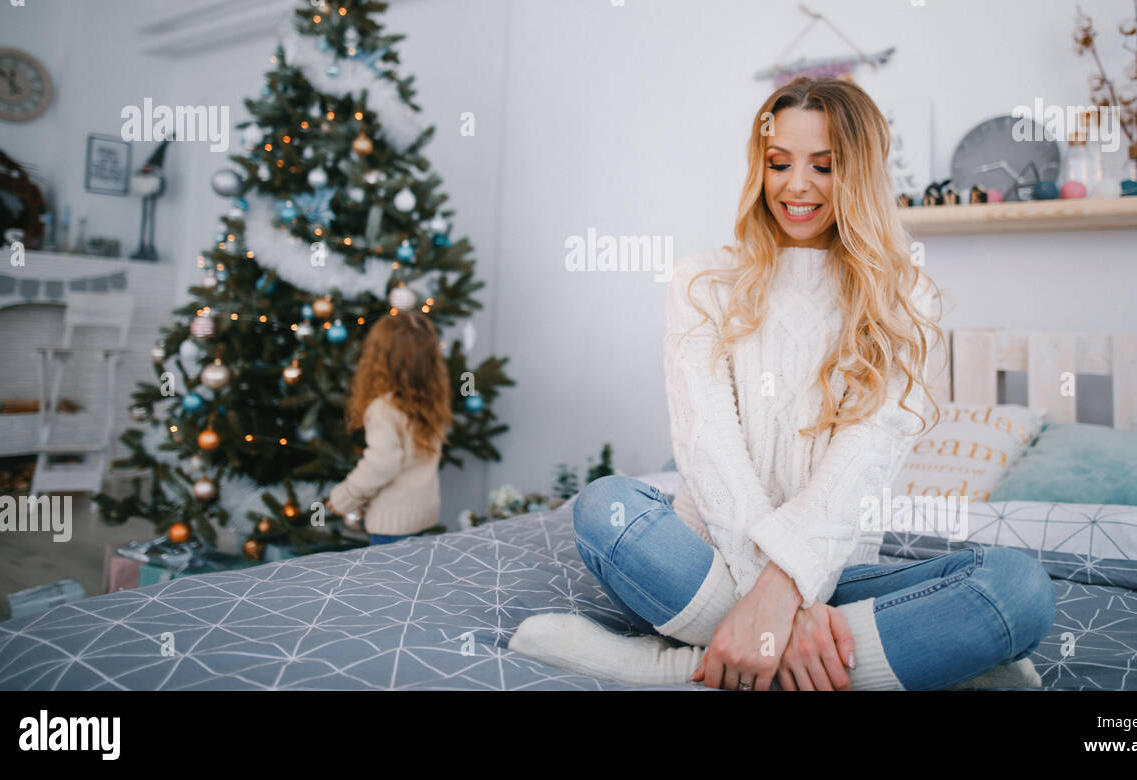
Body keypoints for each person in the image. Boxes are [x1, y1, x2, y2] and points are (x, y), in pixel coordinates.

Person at [509, 76, 1056, 690]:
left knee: (1017, 588)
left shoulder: (906, 298)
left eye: (823, 166)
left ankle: (682, 665)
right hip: (707, 555)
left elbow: (864, 463)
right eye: (779, 163)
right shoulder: (704, 282)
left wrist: (786, 587)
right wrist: (776, 607)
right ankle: (874, 659)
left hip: (836, 572)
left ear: (861, 174)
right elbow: (707, 445)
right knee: (603, 508)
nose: (796, 185)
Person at [326, 310, 452, 545]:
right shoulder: (432, 400)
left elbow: (382, 464)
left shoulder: (383, 409)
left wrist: (344, 497)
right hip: (421, 515)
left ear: (379, 358)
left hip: (391, 523)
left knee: (389, 580)